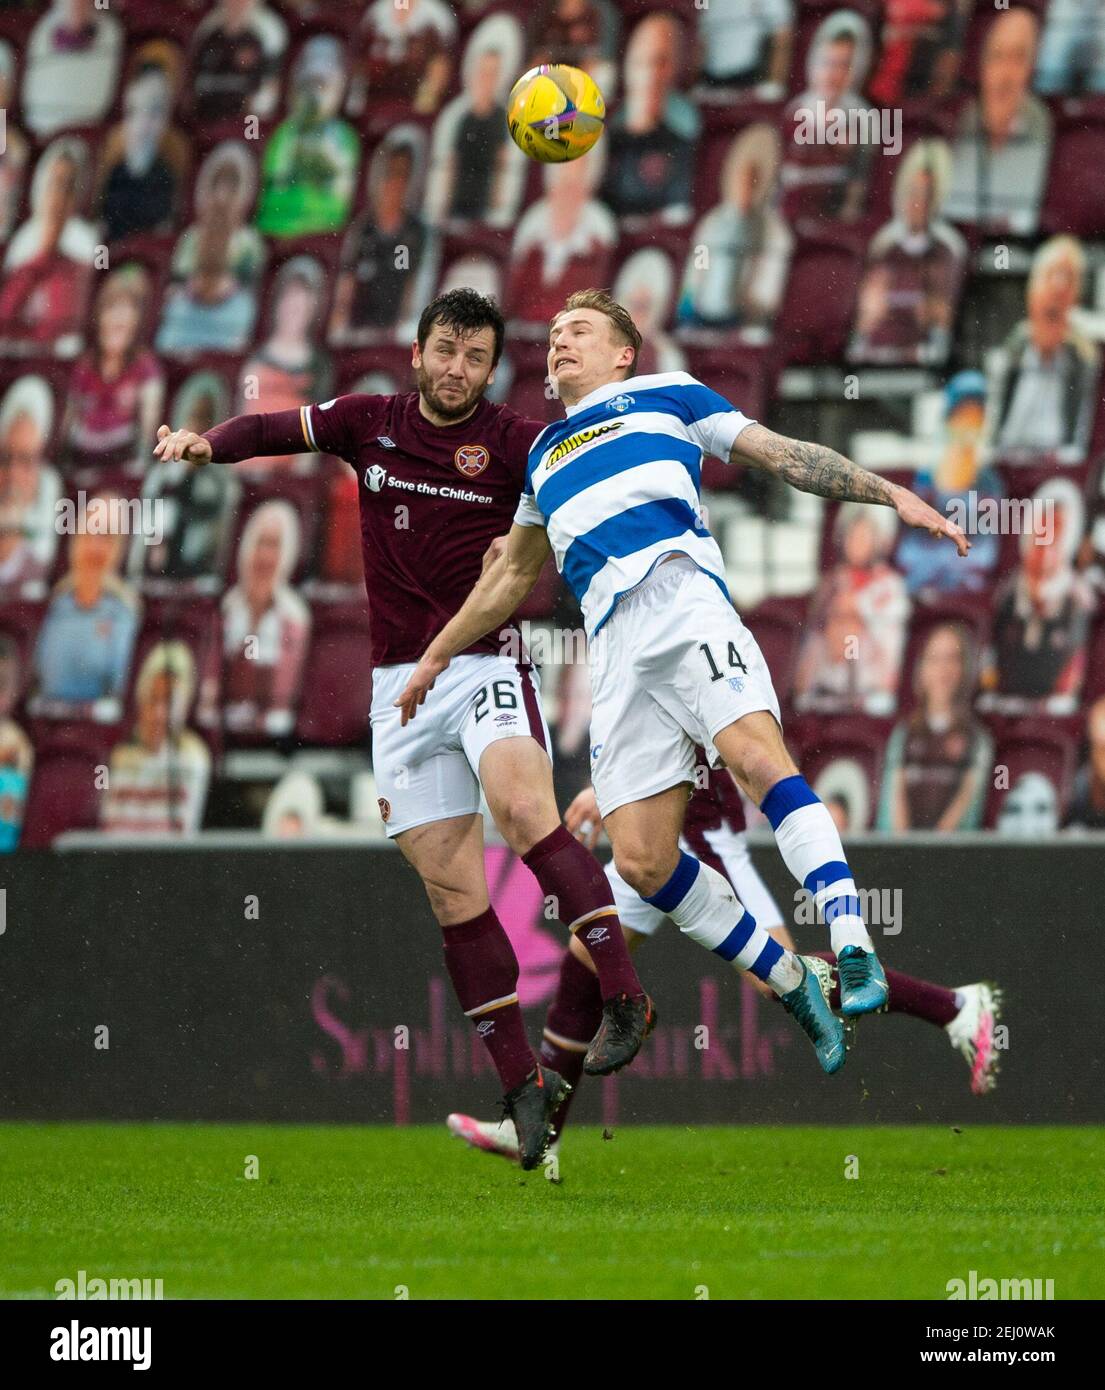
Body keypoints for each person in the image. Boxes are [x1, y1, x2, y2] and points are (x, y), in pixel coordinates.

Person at [397, 288, 970, 1077]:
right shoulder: (540, 456)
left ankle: (851, 941)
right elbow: (508, 583)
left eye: (581, 332)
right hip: (614, 649)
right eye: (555, 333)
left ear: (622, 352)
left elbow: (781, 453)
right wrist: (435, 654)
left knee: (756, 761)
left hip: (681, 599)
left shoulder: (669, 396)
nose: (560, 342)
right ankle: (790, 978)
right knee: (640, 862)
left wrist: (890, 493)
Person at [150, 288, 654, 1170]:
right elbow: (273, 430)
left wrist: (543, 555)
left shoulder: (515, 445)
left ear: (492, 370)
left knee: (523, 808)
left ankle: (624, 995)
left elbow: (578, 511)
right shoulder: (367, 422)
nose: (457, 369)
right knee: (454, 894)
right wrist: (208, 444)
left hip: (486, 665)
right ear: (417, 352)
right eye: (445, 351)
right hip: (397, 690)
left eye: (475, 358)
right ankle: (520, 1091)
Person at [449, 764, 1005, 1163]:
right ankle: (541, 1130)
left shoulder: (673, 613)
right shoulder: (617, 614)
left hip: (698, 832)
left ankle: (955, 1006)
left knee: (777, 976)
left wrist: (607, 789)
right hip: (649, 839)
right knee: (583, 967)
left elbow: (693, 723)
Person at [877, 623, 991, 832]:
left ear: (965, 668)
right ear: (922, 668)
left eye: (951, 659)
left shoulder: (977, 740)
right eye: (934, 659)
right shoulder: (904, 735)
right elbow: (893, 806)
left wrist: (934, 853)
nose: (943, 670)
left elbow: (967, 804)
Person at [102, 643, 211, 836]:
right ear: (141, 701)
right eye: (153, 699)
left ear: (184, 706)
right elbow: (111, 832)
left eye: (169, 701)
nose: (159, 713)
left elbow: (176, 837)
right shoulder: (119, 757)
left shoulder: (193, 759)